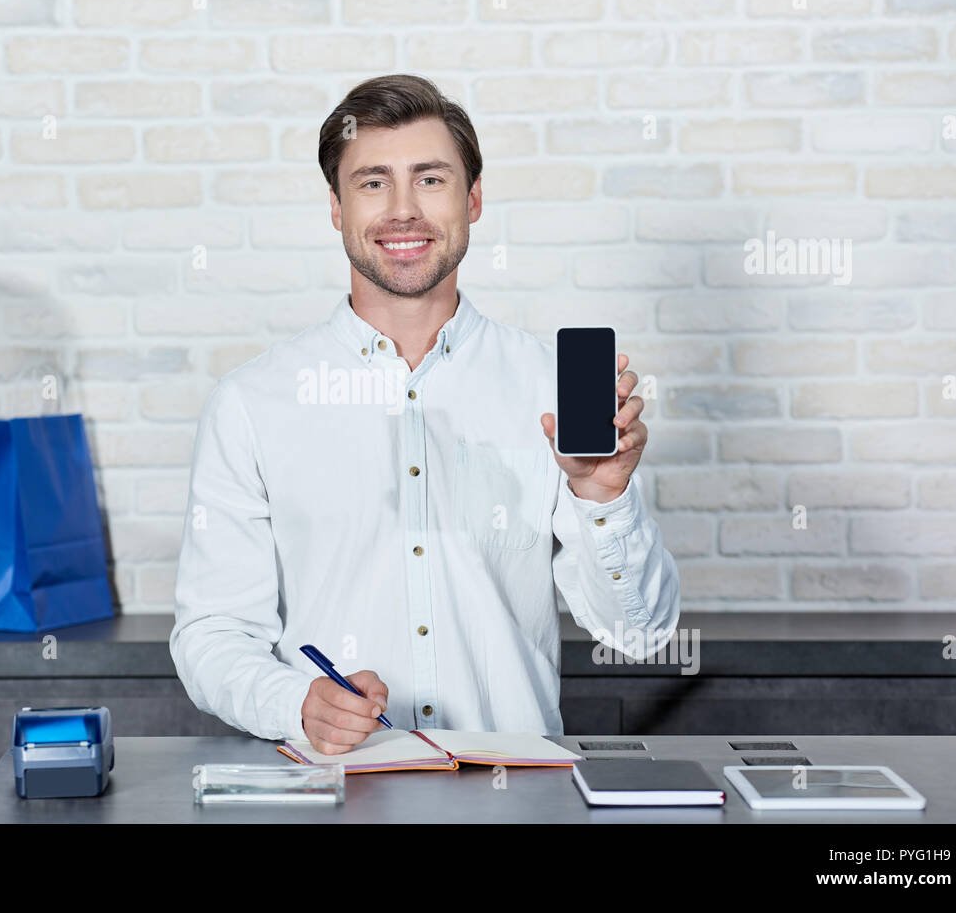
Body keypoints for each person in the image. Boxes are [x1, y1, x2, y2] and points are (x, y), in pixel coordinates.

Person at [170, 74, 680, 755]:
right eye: (373, 182)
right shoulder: (251, 404)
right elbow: (212, 634)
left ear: (473, 200)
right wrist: (295, 703)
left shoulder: (548, 387)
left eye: (430, 179)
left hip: (515, 791)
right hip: (342, 788)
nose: (402, 210)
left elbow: (641, 636)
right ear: (336, 207)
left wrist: (603, 499)